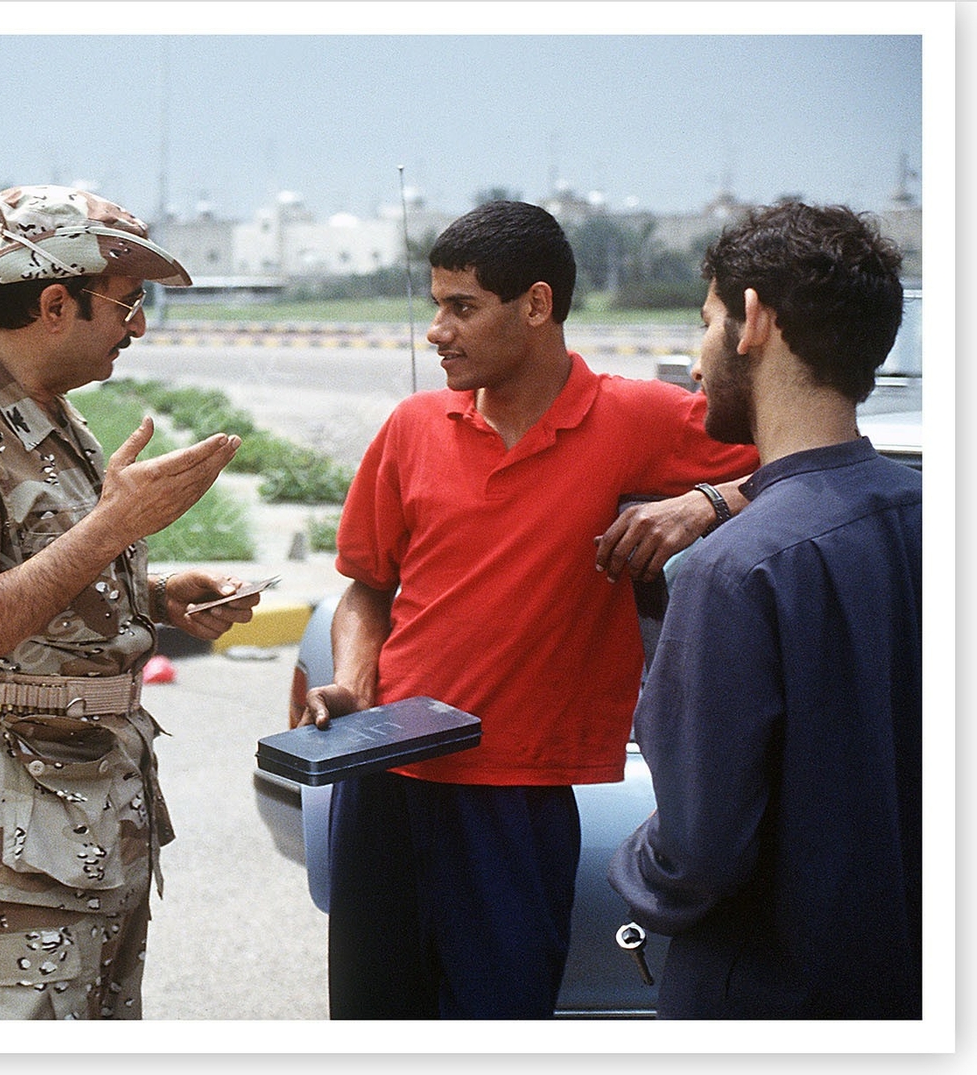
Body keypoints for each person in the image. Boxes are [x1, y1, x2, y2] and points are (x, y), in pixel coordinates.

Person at [299, 200, 761, 1019]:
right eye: (436, 305)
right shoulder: (411, 426)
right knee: (371, 1028)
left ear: (537, 304)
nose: (437, 330)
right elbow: (367, 586)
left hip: (516, 796)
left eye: (462, 307)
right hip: (385, 784)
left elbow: (805, 461)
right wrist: (352, 680)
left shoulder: (634, 418)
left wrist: (704, 503)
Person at [0, 185, 258, 1020]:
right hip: (14, 829)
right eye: (126, 303)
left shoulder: (46, 415)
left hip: (86, 808)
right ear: (55, 304)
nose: (137, 326)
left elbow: (37, 579)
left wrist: (158, 595)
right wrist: (116, 524)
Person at [607, 203, 920, 1018]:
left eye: (704, 321)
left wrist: (630, 864)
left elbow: (697, 854)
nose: (696, 357)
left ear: (752, 321)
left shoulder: (733, 571)